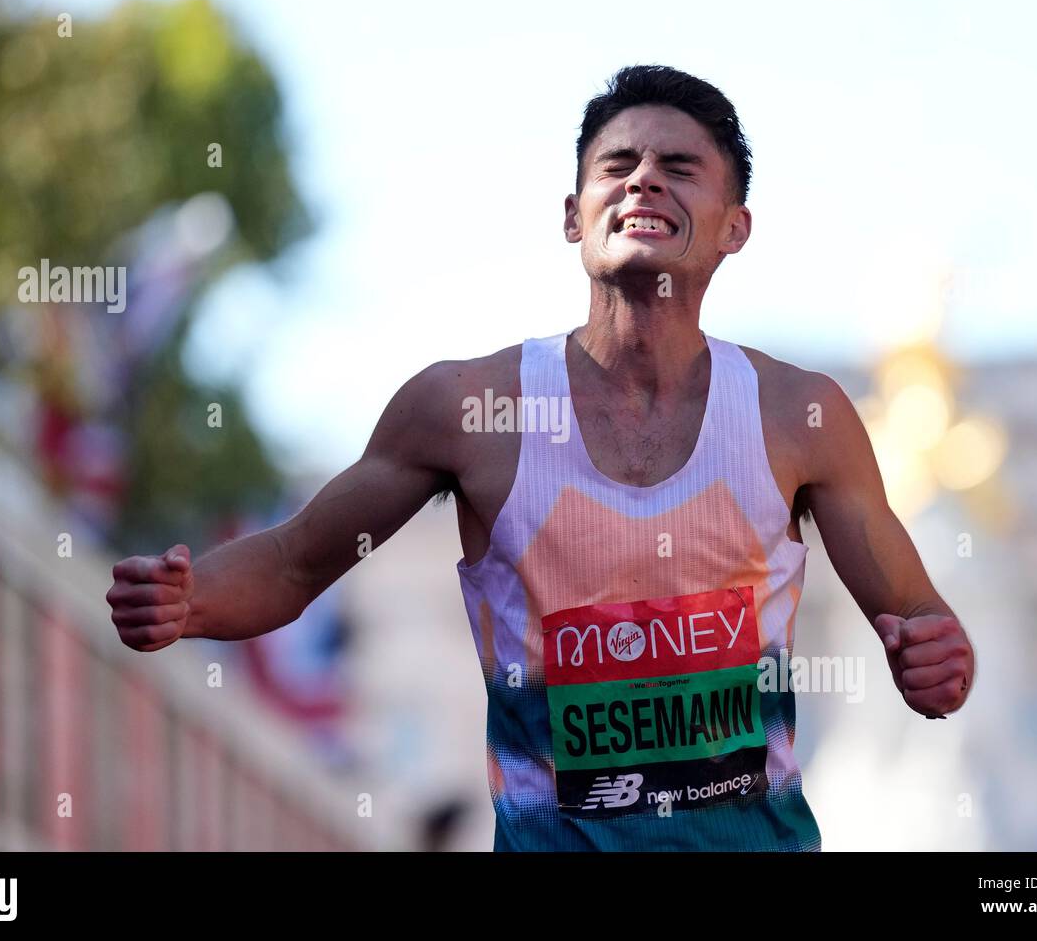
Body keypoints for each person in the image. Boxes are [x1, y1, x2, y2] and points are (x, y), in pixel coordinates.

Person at [107, 64, 975, 851]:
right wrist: (188, 602)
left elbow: (920, 624)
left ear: (734, 226)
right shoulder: (467, 412)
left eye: (679, 168)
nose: (643, 178)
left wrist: (938, 661)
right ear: (574, 215)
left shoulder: (802, 417)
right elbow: (295, 561)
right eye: (617, 164)